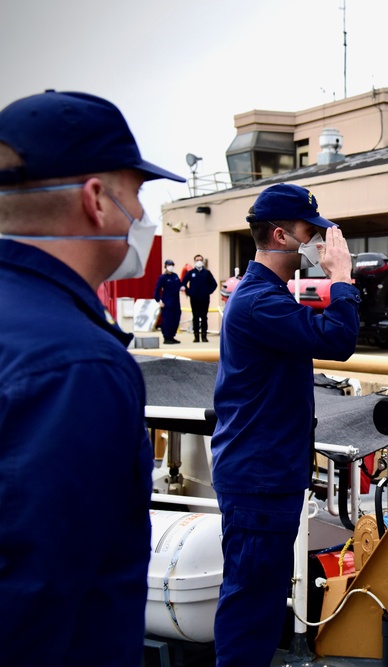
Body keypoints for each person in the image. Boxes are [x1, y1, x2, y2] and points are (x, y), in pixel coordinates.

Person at [0, 90, 184, 665]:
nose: (143, 217)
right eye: (137, 193)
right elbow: (29, 598)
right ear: (97, 198)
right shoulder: (77, 365)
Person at [212, 182, 360, 667]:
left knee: (261, 600)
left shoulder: (265, 296)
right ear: (281, 235)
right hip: (258, 477)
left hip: (264, 472)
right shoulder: (260, 302)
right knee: (251, 607)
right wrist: (342, 278)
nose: (318, 242)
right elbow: (338, 339)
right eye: (309, 231)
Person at [181, 251, 217, 342]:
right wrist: (189, 292)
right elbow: (183, 283)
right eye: (197, 260)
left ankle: (204, 336)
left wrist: (208, 292)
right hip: (194, 298)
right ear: (194, 261)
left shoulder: (207, 273)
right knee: (195, 317)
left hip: (204, 298)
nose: (199, 261)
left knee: (204, 317)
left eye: (201, 260)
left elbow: (214, 284)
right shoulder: (191, 273)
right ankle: (196, 336)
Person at [154, 258, 182, 344]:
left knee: (176, 319)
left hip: (176, 302)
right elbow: (156, 290)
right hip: (167, 302)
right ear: (165, 266)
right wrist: (159, 301)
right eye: (169, 265)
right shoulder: (163, 278)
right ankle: (166, 337)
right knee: (167, 320)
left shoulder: (175, 276)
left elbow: (179, 285)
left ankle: (172, 336)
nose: (171, 267)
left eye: (172, 265)